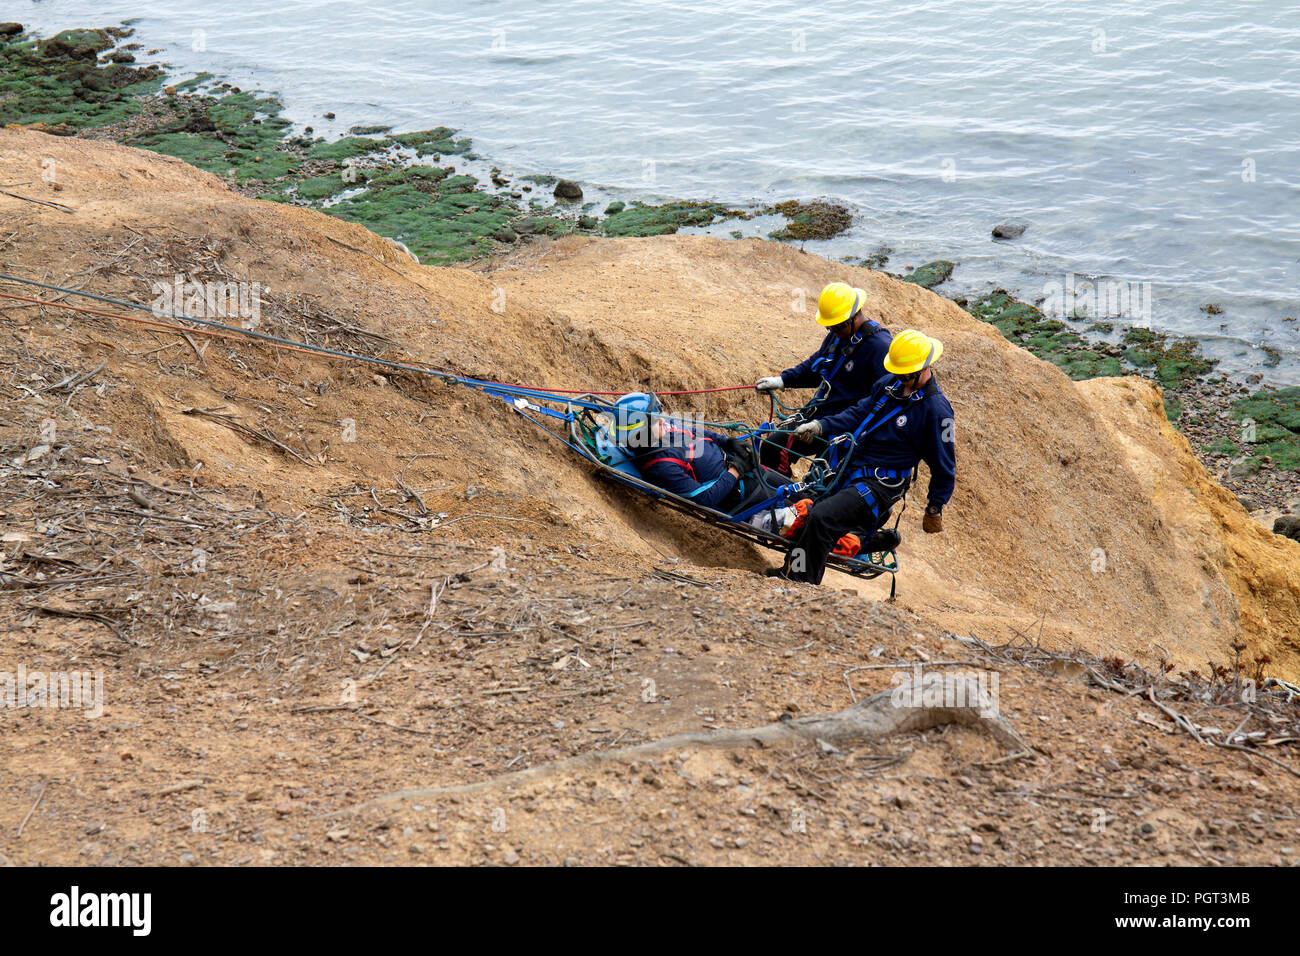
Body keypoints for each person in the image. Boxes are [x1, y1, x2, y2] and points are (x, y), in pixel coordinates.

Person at [773, 329, 956, 585]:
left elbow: (944, 466)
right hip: (850, 469)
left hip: (879, 486)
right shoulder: (888, 386)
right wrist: (821, 426)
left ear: (923, 369)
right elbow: (857, 414)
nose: (899, 378)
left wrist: (935, 506)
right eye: (898, 372)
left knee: (822, 518)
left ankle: (802, 585)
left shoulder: (936, 411)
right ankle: (792, 572)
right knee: (806, 509)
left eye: (905, 374)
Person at [754, 282, 893, 471]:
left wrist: (828, 425)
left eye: (835, 328)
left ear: (852, 319)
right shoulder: (839, 334)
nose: (832, 332)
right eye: (830, 328)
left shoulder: (880, 347)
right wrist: (783, 380)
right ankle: (778, 496)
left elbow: (882, 401)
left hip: (851, 427)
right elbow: (818, 365)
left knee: (820, 475)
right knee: (773, 448)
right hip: (822, 415)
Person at [621, 412, 749, 511]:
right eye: (653, 421)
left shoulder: (663, 430)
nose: (661, 420)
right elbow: (705, 498)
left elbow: (692, 431)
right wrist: (736, 470)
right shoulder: (662, 467)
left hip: (732, 459)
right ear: (643, 433)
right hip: (736, 488)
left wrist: (726, 441)